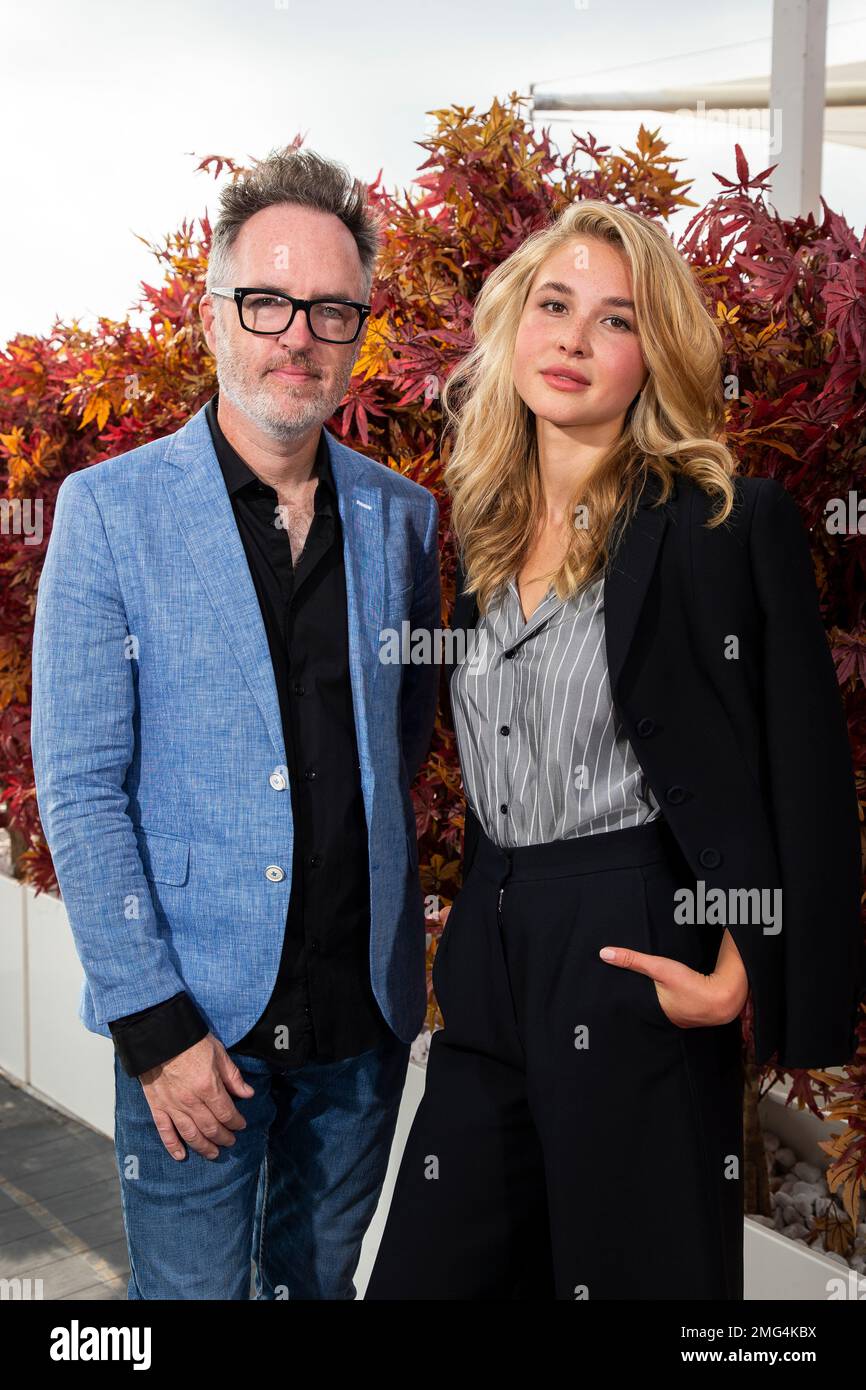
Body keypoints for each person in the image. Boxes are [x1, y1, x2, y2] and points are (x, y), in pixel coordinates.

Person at [365, 199, 865, 1300]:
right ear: (514, 324)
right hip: (495, 950)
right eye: (553, 305)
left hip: (635, 934)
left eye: (614, 319)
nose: (573, 340)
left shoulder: (724, 521)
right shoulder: (483, 523)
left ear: (655, 355)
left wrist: (746, 965)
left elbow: (802, 774)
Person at [30, 146, 440, 1300]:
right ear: (214, 313)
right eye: (266, 300)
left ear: (356, 327)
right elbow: (79, 785)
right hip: (193, 1035)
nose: (294, 334)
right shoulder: (108, 513)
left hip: (358, 1029)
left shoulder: (402, 520)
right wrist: (155, 1030)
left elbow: (395, 741)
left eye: (328, 309)